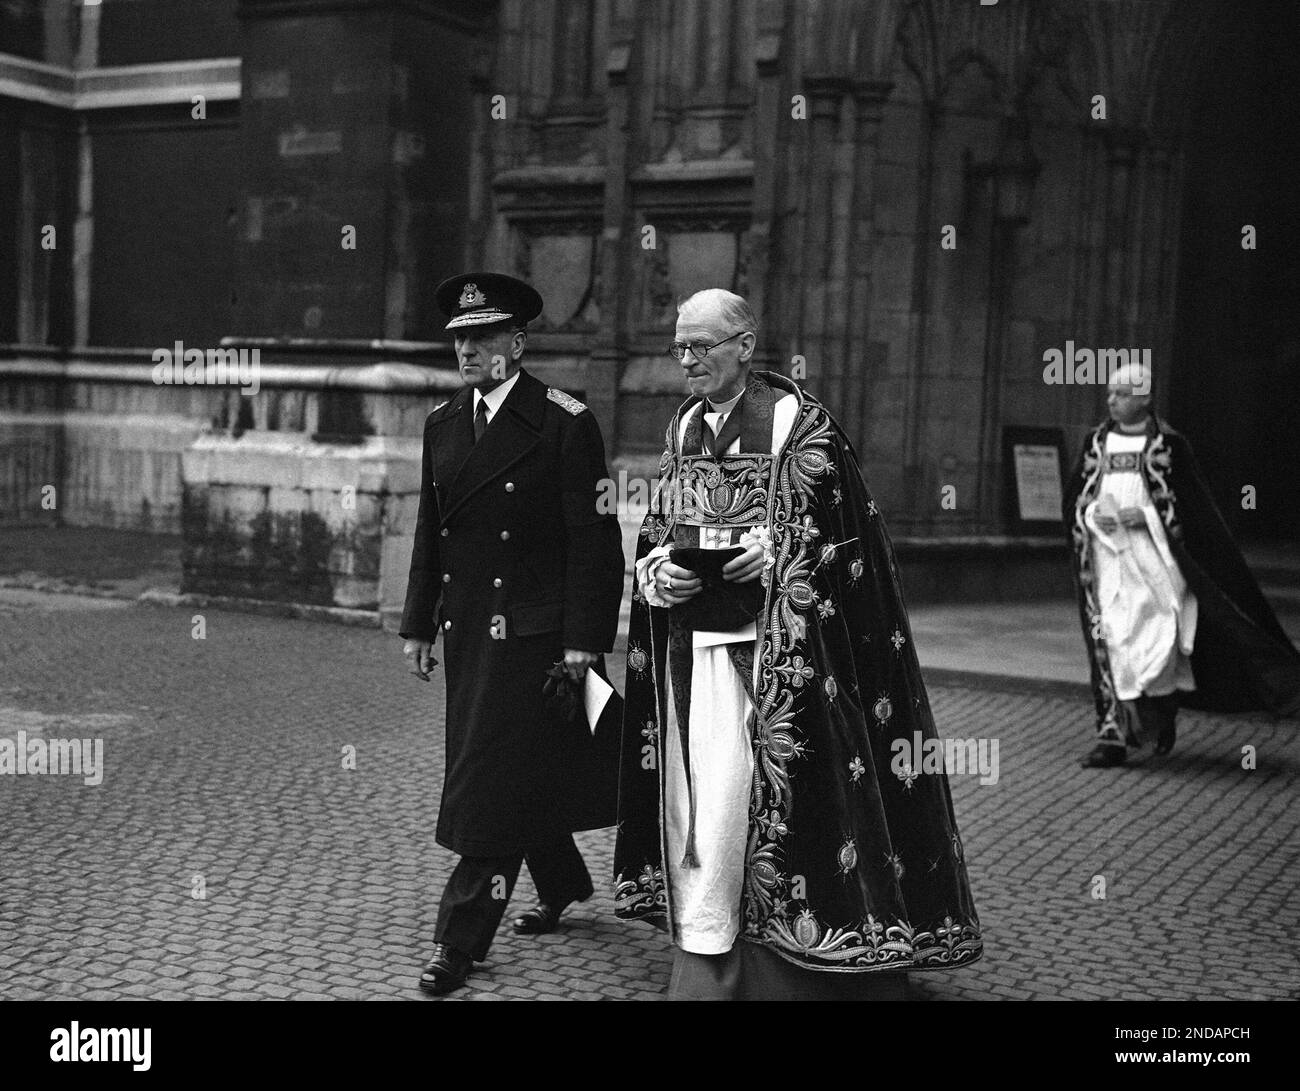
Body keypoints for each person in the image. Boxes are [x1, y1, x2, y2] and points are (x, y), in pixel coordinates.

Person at [613, 288, 982, 999]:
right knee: (708, 807)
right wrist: (661, 573)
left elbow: (848, 549)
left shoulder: (799, 426)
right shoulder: (684, 425)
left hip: (784, 665)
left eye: (702, 347)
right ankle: (710, 945)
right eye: (679, 347)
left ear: (746, 345)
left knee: (774, 807)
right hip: (698, 658)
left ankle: (789, 967)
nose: (687, 361)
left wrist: (776, 557)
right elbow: (660, 529)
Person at [400, 271, 624, 994]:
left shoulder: (565, 421)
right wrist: (418, 624)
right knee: (515, 768)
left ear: (516, 343)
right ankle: (561, 883)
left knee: (488, 783)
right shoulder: (442, 422)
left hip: (537, 640)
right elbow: (433, 533)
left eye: (482, 336)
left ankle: (458, 942)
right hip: (469, 632)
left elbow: (594, 542)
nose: (467, 349)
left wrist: (584, 641)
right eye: (460, 337)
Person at [1064, 362, 1300, 768]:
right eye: (1109, 394)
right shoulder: (1095, 443)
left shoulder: (1169, 446)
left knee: (1156, 647)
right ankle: (1113, 738)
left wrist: (1149, 518)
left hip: (1156, 567)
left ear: (1144, 398)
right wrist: (1090, 518)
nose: (1111, 401)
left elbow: (1195, 512)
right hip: (1108, 564)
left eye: (1120, 394)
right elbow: (1077, 499)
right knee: (1114, 646)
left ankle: (1159, 713)